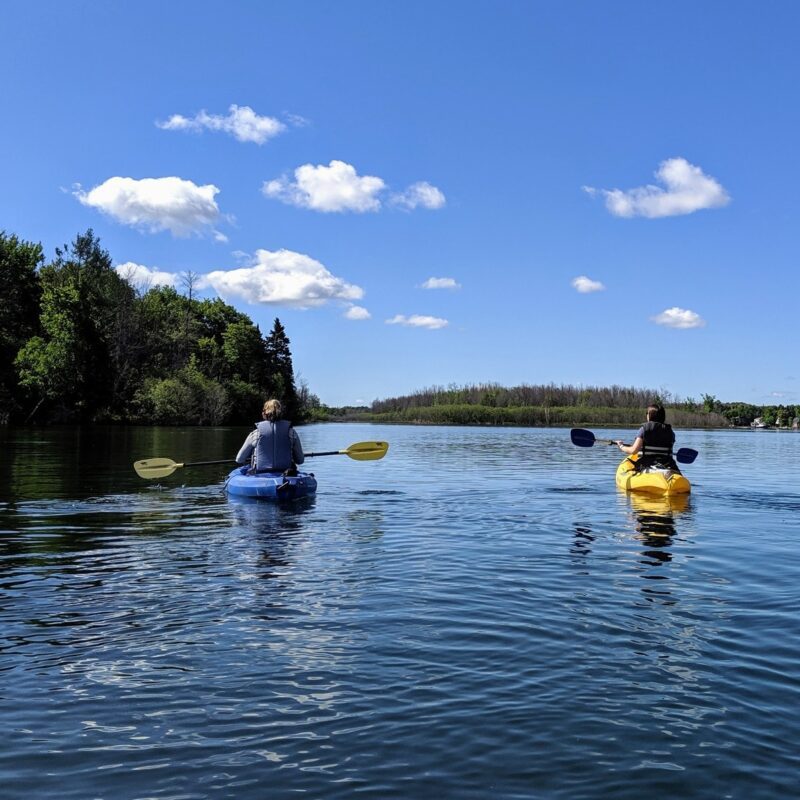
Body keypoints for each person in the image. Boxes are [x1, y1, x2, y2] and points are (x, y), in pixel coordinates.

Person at [236, 399, 304, 474]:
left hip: (260, 475)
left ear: (265, 413)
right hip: (286, 474)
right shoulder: (291, 432)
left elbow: (239, 459)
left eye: (263, 410)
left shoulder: (256, 433)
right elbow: (300, 460)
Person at [615, 403, 679, 472]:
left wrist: (621, 446)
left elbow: (633, 451)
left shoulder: (644, 429)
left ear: (650, 415)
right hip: (668, 465)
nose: (646, 415)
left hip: (647, 465)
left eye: (647, 413)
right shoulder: (670, 432)